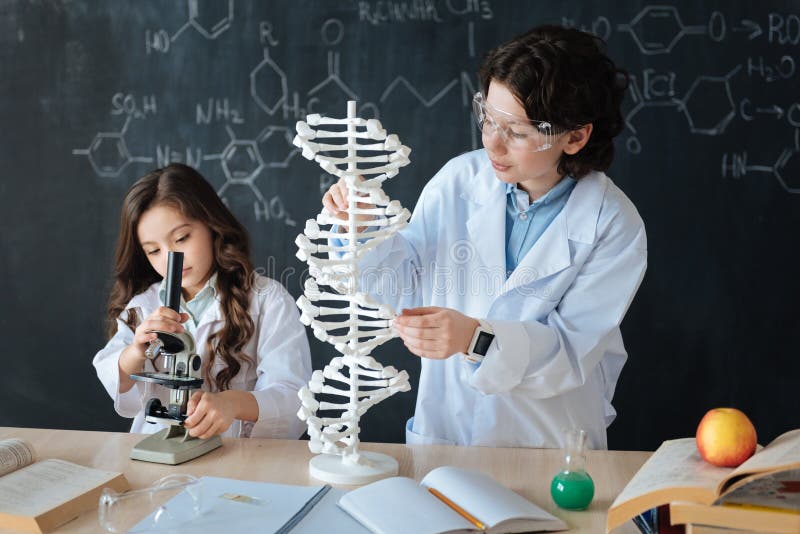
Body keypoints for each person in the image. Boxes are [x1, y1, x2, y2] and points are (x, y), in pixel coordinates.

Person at [323, 25, 647, 449]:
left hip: (547, 444)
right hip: (447, 432)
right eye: (488, 118)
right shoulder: (459, 180)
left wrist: (475, 339)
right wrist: (360, 231)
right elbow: (401, 285)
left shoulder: (612, 224)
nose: (492, 143)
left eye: (515, 131)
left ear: (575, 136)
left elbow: (569, 353)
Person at [94, 163, 311, 439]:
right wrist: (136, 351)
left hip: (242, 457)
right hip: (159, 446)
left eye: (182, 238)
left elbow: (293, 397)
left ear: (211, 225)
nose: (171, 258)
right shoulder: (142, 306)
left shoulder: (268, 300)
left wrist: (232, 404)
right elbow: (116, 381)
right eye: (153, 250)